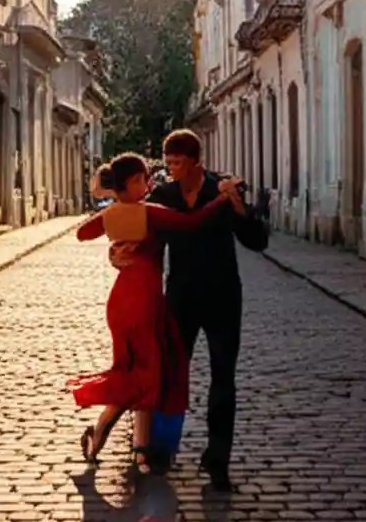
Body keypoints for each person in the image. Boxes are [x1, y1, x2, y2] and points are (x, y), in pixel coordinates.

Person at [69, 152, 245, 475]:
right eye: (138, 180)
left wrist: (115, 230)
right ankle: (130, 444)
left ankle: (119, 442)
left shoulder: (117, 214)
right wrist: (221, 200)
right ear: (126, 184)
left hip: (121, 301)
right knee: (147, 373)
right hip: (144, 302)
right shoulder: (150, 212)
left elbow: (82, 233)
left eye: (144, 178)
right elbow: (191, 222)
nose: (146, 183)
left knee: (136, 371)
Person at [146, 129, 268, 491]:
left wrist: (238, 208)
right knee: (170, 375)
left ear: (196, 161)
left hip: (222, 297)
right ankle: (162, 449)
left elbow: (257, 240)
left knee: (222, 380)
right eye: (168, 163)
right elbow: (145, 237)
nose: (171, 169)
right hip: (180, 298)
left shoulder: (223, 189)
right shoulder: (164, 194)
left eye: (177, 163)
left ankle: (218, 461)